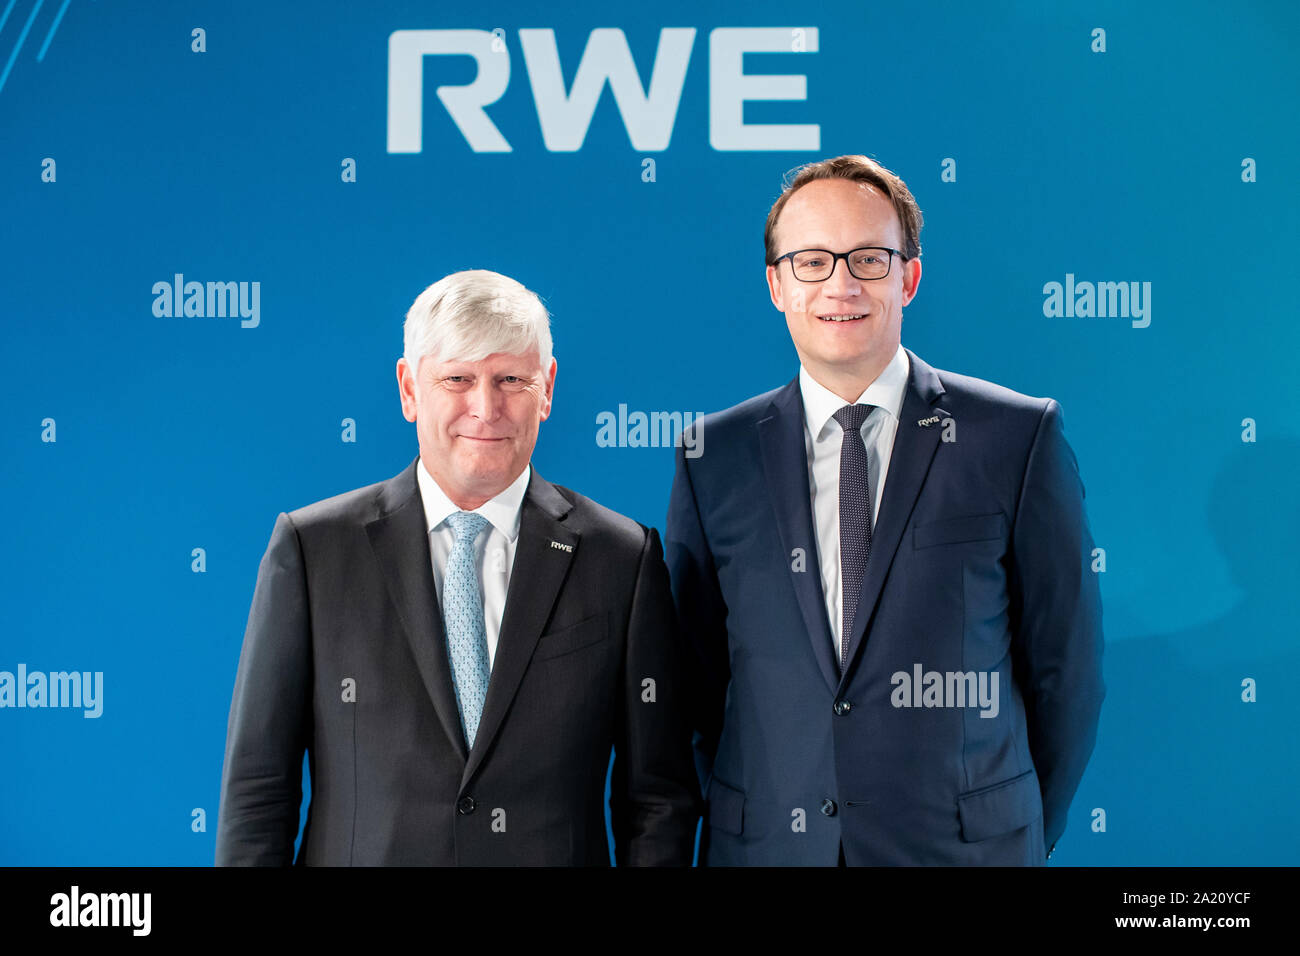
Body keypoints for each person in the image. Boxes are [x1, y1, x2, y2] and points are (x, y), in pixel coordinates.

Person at [665, 155, 1104, 866]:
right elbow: (691, 683)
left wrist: (1010, 829)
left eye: (868, 258)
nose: (841, 283)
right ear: (776, 284)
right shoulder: (713, 456)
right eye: (811, 261)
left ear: (909, 276)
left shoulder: (1015, 438)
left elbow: (1065, 673)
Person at [216, 269, 700, 865]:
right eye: (457, 378)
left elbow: (657, 800)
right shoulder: (312, 550)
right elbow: (259, 793)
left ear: (546, 388)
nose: (486, 407)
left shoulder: (622, 558)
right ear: (409, 388)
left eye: (510, 380)